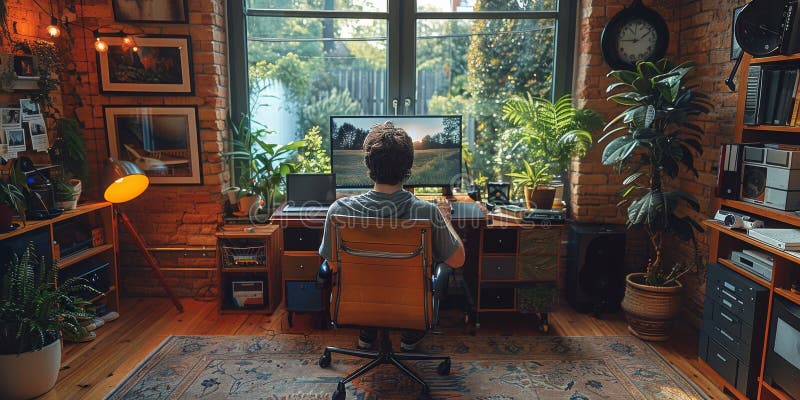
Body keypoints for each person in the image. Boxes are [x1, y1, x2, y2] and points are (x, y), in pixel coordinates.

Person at [318, 121, 466, 352]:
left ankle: (368, 331)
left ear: (368, 163)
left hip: (358, 305)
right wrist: (445, 218)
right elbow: (457, 260)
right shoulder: (427, 212)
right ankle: (409, 336)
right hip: (410, 309)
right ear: (408, 165)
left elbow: (332, 266)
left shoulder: (339, 211)